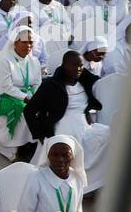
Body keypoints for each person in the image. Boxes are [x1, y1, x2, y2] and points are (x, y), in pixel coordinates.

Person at [23, 50, 109, 184]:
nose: (79, 69)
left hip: (84, 126)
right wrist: (39, 135)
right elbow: (29, 111)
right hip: (61, 127)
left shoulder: (85, 81)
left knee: (109, 136)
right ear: (64, 65)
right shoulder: (50, 85)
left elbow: (102, 84)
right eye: (74, 65)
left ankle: (90, 182)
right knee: (66, 152)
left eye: (81, 65)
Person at [11, 135, 87, 212]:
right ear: (48, 156)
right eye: (55, 155)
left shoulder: (77, 179)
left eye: (65, 155)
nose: (60, 159)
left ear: (73, 156)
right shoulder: (36, 179)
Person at [0, 25, 43, 161]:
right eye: (24, 42)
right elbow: (6, 86)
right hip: (6, 94)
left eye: (31, 42)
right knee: (23, 109)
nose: (28, 45)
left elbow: (37, 83)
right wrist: (26, 98)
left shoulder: (34, 61)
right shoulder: (5, 60)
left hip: (28, 95)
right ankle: (13, 146)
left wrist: (35, 97)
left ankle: (29, 144)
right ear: (15, 42)